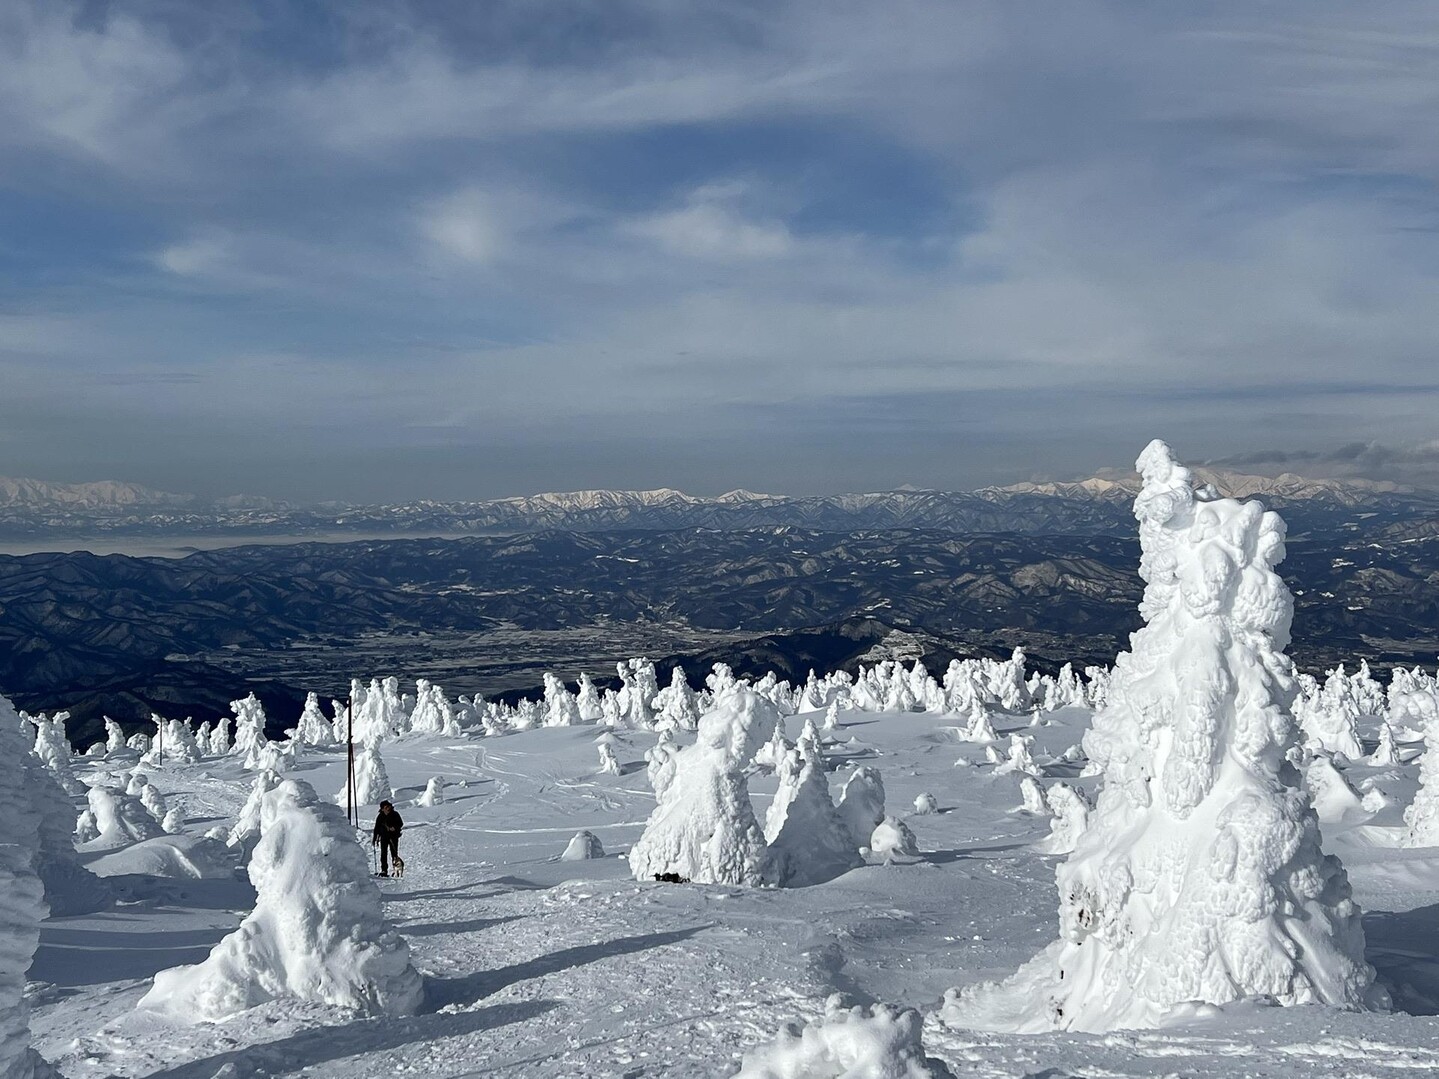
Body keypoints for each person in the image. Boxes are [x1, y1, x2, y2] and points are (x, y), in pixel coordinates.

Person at [372, 800, 405, 877]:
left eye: (388, 807)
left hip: (393, 836)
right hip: (384, 837)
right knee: (383, 854)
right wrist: (375, 838)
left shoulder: (395, 814)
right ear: (382, 808)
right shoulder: (380, 816)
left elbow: (400, 823)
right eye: (386, 807)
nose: (388, 809)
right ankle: (384, 870)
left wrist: (394, 827)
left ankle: (396, 870)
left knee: (394, 853)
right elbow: (376, 828)